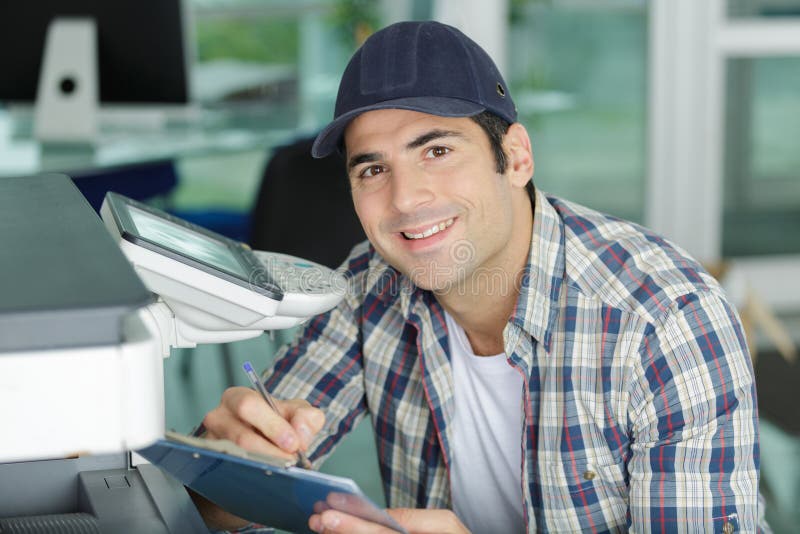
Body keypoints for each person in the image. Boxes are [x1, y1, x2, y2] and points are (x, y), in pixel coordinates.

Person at [199, 20, 767, 533]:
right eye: (373, 169)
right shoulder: (372, 285)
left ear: (516, 158)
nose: (405, 198)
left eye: (437, 151)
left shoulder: (666, 320)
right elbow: (220, 497)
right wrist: (226, 470)